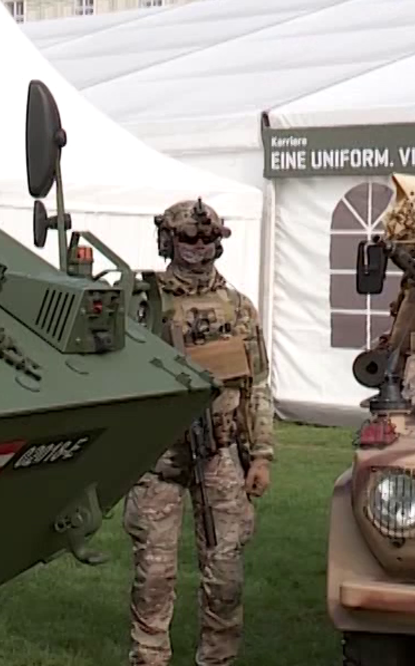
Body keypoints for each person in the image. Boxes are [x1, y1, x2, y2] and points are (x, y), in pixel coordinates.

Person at [126, 199, 274, 666]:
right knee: (154, 574)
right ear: (168, 241)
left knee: (225, 573)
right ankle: (149, 657)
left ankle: (218, 658)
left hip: (220, 452)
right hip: (159, 455)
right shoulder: (143, 303)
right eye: (189, 237)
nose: (199, 246)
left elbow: (256, 385)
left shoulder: (238, 307)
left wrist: (262, 454)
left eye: (208, 238)